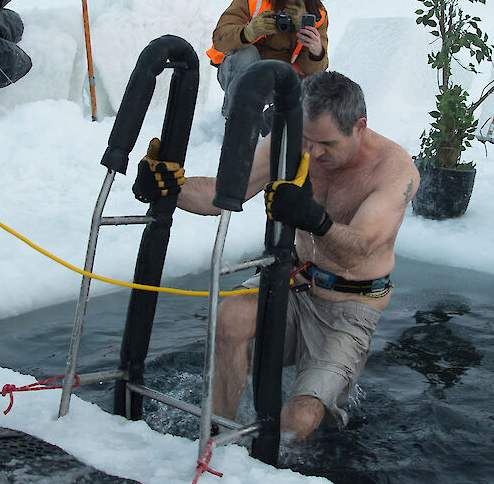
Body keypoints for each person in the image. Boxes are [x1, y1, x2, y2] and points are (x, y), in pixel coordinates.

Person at [133, 71, 419, 441]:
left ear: (359, 127)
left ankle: (283, 460)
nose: (314, 152)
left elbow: (359, 248)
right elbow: (225, 193)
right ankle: (219, 439)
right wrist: (168, 187)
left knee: (297, 424)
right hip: (293, 280)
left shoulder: (394, 170)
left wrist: (313, 218)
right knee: (231, 316)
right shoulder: (290, 138)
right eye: (307, 139)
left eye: (327, 144)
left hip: (349, 305)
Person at [206, 0, 329, 122]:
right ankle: (236, 121)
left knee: (316, 89)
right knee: (246, 54)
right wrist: (248, 32)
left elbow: (313, 73)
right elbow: (220, 39)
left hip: (282, 80)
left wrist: (316, 52)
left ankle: (273, 123)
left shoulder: (316, 15)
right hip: (241, 73)